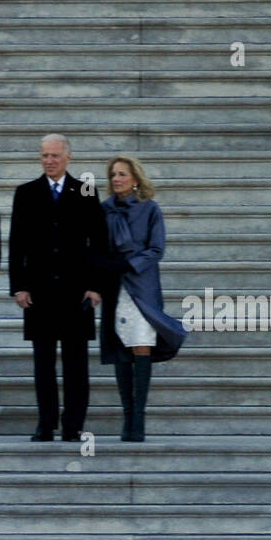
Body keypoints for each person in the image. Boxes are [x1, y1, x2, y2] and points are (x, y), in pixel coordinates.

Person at [8, 133, 107, 441]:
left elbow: (99, 241)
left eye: (54, 156)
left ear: (68, 157)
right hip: (39, 292)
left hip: (75, 292)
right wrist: (18, 286)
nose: (49, 161)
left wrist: (95, 285)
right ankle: (46, 423)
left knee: (76, 365)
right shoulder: (26, 192)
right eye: (44, 156)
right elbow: (16, 244)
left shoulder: (86, 191)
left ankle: (73, 425)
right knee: (43, 364)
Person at [100, 155, 187, 441]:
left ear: (135, 179)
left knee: (141, 345)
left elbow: (156, 248)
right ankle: (127, 416)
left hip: (141, 287)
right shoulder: (104, 210)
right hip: (114, 287)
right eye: (113, 175)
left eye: (122, 174)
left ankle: (139, 417)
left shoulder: (149, 209)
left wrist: (131, 264)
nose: (117, 179)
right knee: (120, 350)